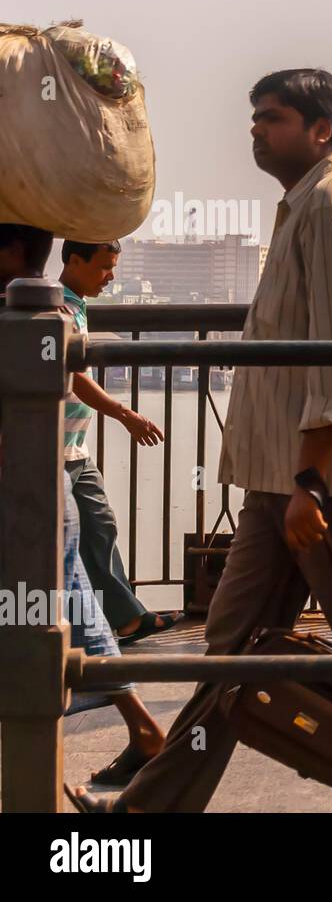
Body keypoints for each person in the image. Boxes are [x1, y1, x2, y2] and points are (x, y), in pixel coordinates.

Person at [68, 69, 332, 812]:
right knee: (231, 661)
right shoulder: (301, 206)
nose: (256, 129)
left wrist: (314, 481)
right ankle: (145, 814)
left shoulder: (331, 204)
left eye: (273, 117)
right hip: (278, 483)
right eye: (254, 117)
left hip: (327, 487)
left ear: (322, 129)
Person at [0, 222, 167, 787]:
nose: (111, 274)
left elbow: (66, 378)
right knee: (68, 585)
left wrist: (121, 414)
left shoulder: (35, 310)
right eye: (105, 264)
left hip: (40, 469)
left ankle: (136, 723)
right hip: (47, 468)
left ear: (17, 249)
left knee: (67, 584)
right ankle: (138, 721)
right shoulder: (47, 308)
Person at [58, 238, 181, 644]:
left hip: (76, 448)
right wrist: (126, 415)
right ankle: (95, 626)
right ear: (74, 260)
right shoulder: (58, 307)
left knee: (99, 526)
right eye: (103, 268)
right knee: (68, 539)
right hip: (53, 450)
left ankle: (125, 618)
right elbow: (75, 376)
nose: (110, 277)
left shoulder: (76, 304)